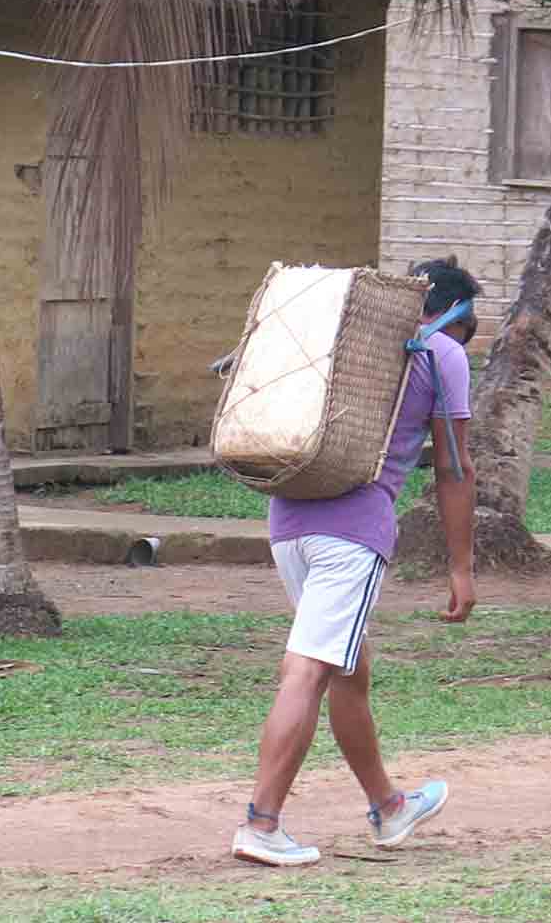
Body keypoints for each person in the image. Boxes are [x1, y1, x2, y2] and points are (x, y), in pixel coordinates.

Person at [232, 257, 481, 867]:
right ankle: (262, 824)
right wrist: (461, 567)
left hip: (289, 523)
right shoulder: (441, 352)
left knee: (349, 669)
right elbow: (454, 468)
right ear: (453, 314)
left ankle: (389, 807)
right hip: (354, 535)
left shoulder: (339, 337)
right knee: (309, 671)